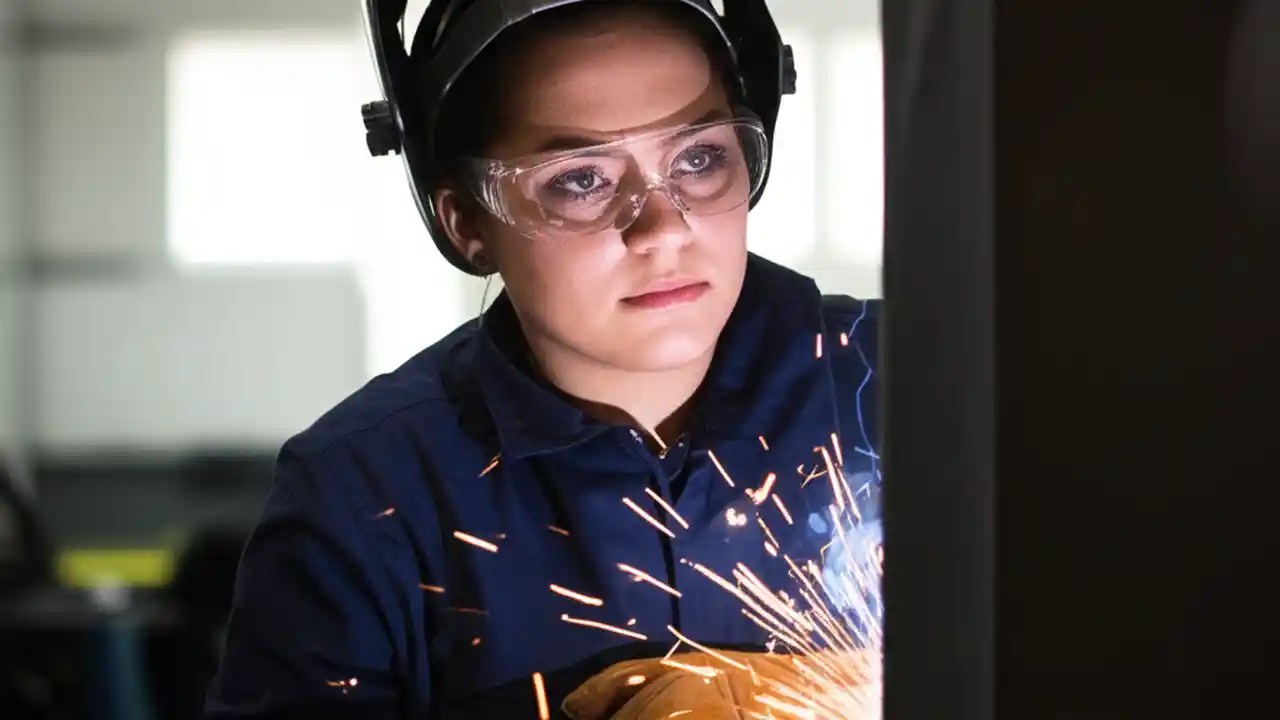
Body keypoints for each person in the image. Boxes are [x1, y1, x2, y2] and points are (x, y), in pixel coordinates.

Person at [205, 1, 880, 718]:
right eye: (580, 180)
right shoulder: (367, 492)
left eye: (698, 158)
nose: (662, 229)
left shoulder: (913, 383)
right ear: (466, 222)